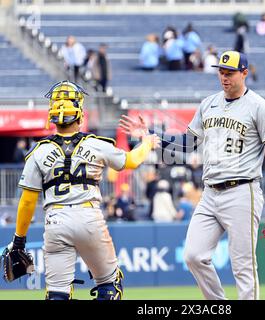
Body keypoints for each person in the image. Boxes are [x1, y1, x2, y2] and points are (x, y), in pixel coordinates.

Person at [120, 50, 265, 300]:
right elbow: (189, 142)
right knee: (193, 255)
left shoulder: (258, 106)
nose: (224, 77)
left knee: (243, 266)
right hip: (210, 194)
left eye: (230, 73)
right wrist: (153, 135)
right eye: (221, 72)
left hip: (242, 191)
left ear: (244, 73)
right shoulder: (208, 104)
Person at [5, 80, 159, 300]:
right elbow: (132, 161)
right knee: (109, 284)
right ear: (79, 113)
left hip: (55, 221)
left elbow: (28, 202)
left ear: (52, 115)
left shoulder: (38, 152)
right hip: (89, 217)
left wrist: (19, 239)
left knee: (57, 293)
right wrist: (146, 143)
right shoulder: (95, 144)